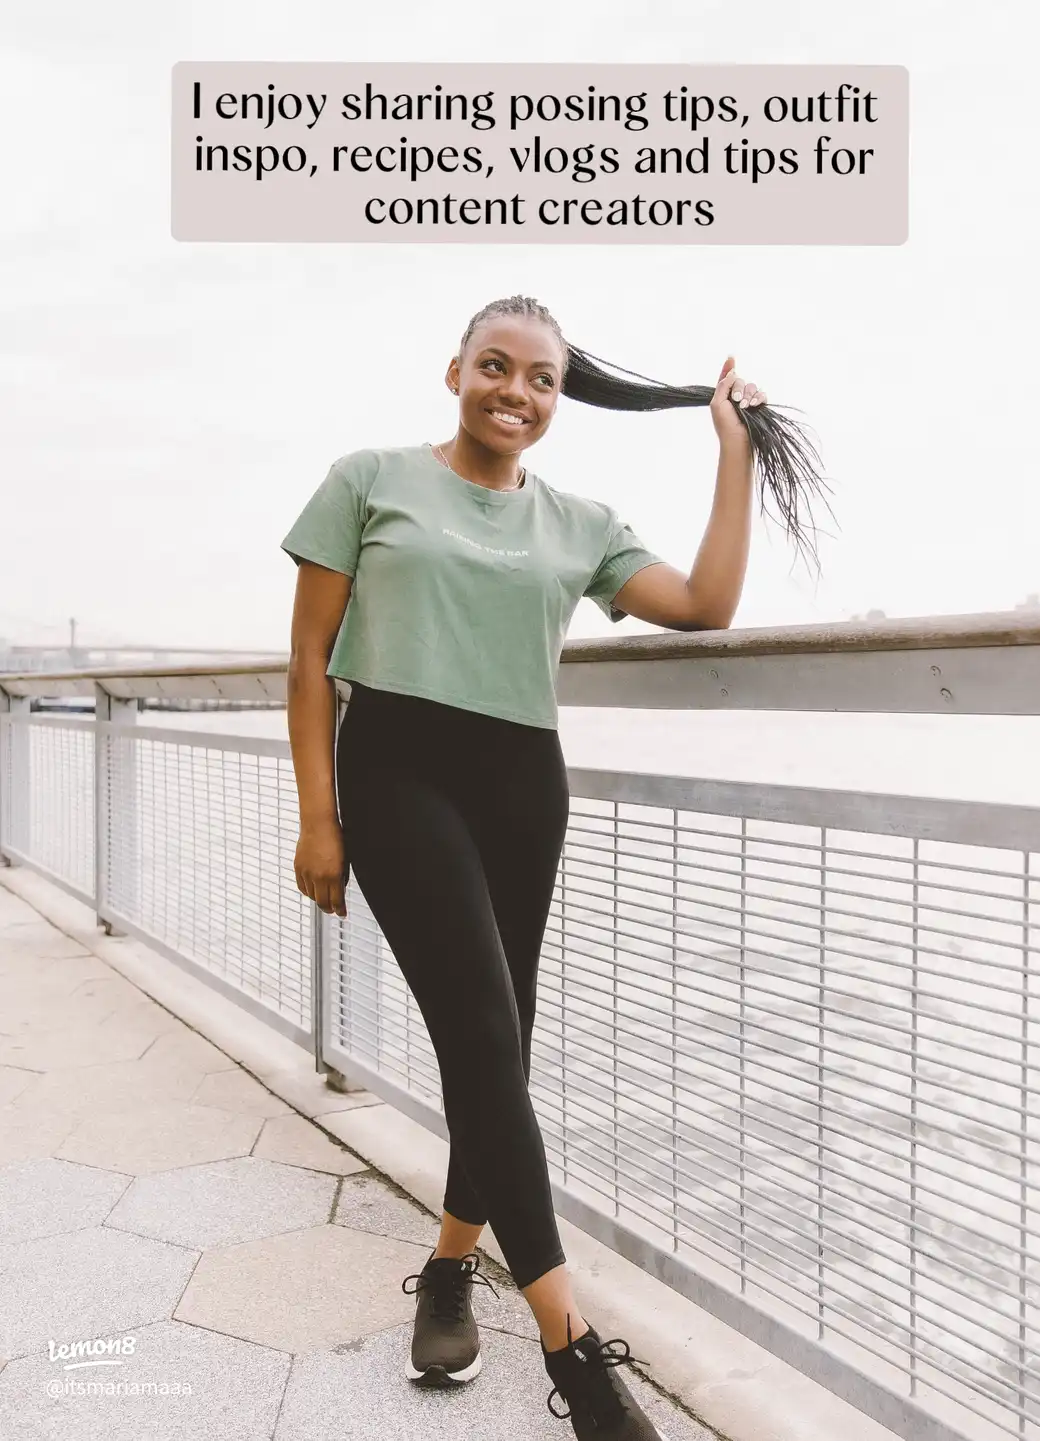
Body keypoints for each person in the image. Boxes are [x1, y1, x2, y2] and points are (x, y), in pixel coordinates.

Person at [281, 295, 768, 1441]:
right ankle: (573, 1349)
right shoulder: (370, 479)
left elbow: (706, 604)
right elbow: (307, 659)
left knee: (499, 1040)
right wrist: (317, 814)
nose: (517, 392)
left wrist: (732, 451)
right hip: (397, 775)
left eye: (542, 378)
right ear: (455, 370)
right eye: (495, 367)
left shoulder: (580, 521)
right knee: (487, 1042)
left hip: (521, 785)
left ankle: (454, 1264)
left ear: (560, 396)